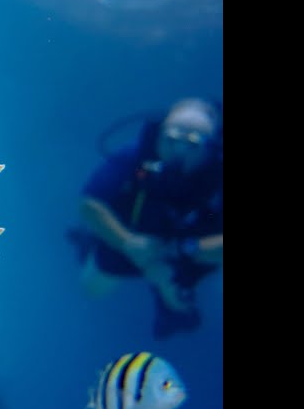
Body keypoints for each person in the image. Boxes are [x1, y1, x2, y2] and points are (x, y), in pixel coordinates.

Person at [70, 97, 223, 339]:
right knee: (91, 288)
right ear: (160, 133)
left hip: (192, 249)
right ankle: (89, 244)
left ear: (212, 147)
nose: (179, 151)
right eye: (172, 139)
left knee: (182, 305)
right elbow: (90, 204)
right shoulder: (135, 155)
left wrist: (179, 252)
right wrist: (128, 243)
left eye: (194, 143)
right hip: (131, 238)